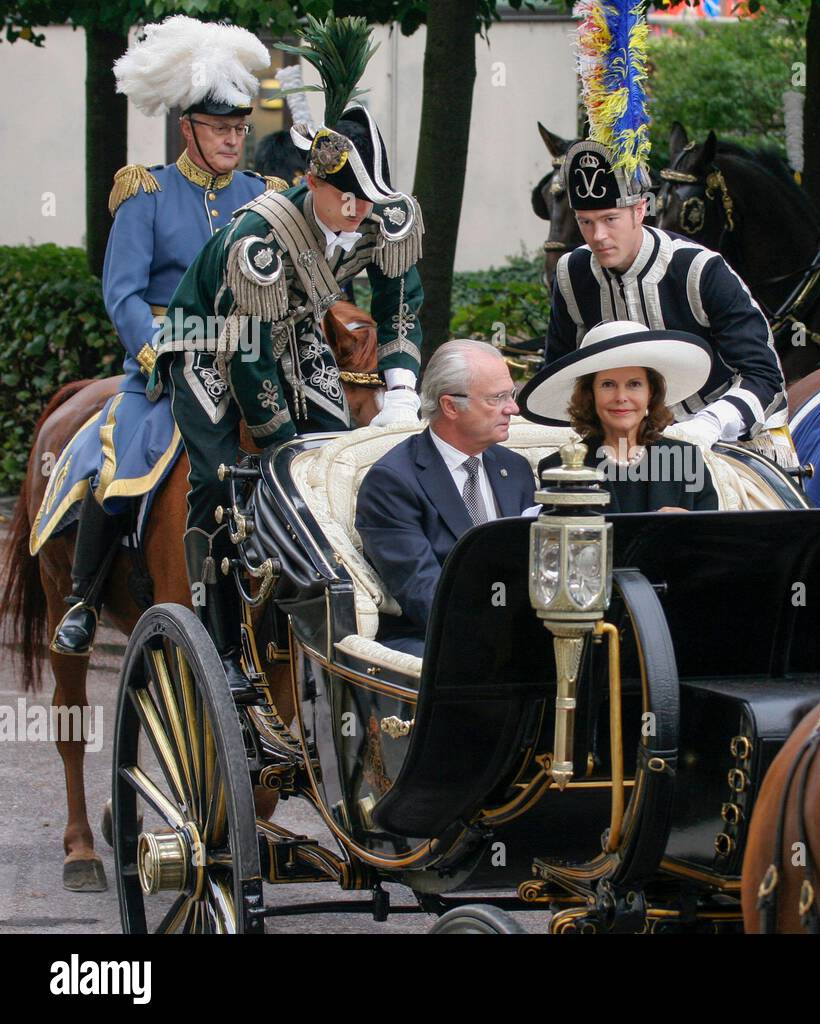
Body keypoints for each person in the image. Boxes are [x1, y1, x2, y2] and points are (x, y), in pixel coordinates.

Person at [153, 16, 425, 689]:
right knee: (226, 484)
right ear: (311, 179)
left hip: (293, 320)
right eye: (345, 197)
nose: (359, 212)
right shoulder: (261, 242)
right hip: (213, 336)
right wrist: (278, 445)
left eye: (371, 198)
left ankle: (332, 613)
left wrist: (398, 391)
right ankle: (214, 630)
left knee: (335, 454)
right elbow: (246, 357)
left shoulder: (382, 215)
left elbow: (398, 303)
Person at [46, 15, 289, 656]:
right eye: (220, 128)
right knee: (125, 446)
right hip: (166, 358)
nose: (234, 140)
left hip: (246, 359)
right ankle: (83, 597)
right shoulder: (147, 193)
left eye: (240, 128)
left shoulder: (264, 198)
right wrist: (155, 348)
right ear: (189, 128)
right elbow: (122, 292)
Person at [544, 3, 790, 466]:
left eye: (610, 219)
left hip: (719, 437)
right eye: (585, 222)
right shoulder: (571, 274)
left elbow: (766, 376)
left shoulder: (700, 269)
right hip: (610, 448)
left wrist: (709, 423)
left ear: (641, 209)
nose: (596, 236)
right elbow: (560, 370)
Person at [355, 342, 535, 658]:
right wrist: (507, 639)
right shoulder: (393, 482)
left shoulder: (515, 469)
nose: (513, 408)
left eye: (511, 395)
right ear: (450, 406)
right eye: (497, 398)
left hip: (518, 631)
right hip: (435, 642)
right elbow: (425, 593)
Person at [523, 321, 720, 513]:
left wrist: (691, 527)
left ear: (651, 393)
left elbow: (714, 542)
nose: (621, 397)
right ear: (590, 395)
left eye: (634, 384)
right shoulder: (560, 469)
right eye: (608, 384)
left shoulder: (686, 460)